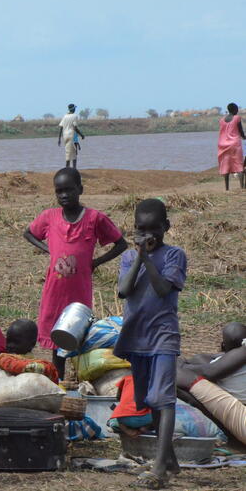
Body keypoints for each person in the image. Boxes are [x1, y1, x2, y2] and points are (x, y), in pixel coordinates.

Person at [23, 167, 127, 379]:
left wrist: (96, 262)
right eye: (59, 191)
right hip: (55, 290)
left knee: (79, 333)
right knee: (57, 338)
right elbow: (28, 233)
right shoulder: (49, 217)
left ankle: (79, 379)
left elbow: (120, 244)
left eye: (69, 190)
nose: (64, 195)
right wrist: (48, 250)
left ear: (80, 189)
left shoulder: (94, 218)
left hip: (79, 291)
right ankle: (59, 381)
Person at [115, 198, 186, 489]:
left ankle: (159, 469)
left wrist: (146, 259)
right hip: (136, 337)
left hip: (163, 336)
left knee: (163, 399)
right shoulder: (129, 259)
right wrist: (139, 258)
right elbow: (123, 290)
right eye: (140, 230)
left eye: (153, 230)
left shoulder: (174, 256)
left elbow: (161, 288)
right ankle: (170, 460)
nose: (147, 236)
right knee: (149, 401)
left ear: (165, 228)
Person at [179, 322, 246, 402]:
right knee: (200, 359)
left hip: (235, 405)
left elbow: (208, 373)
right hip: (235, 399)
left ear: (223, 345)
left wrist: (182, 366)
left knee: (178, 376)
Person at [0, 319, 60, 383]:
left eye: (16, 342)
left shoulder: (39, 366)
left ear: (32, 344)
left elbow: (42, 369)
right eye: (8, 341)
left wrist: (5, 362)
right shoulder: (4, 358)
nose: (11, 345)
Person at [217, 103, 245, 191]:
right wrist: (244, 137)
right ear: (234, 110)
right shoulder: (237, 118)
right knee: (239, 164)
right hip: (235, 144)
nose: (237, 111)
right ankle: (242, 187)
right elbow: (241, 131)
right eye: (237, 109)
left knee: (225, 165)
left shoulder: (221, 120)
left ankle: (227, 188)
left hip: (223, 144)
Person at [58, 103, 85, 168]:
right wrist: (81, 135)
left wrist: (59, 139)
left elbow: (61, 127)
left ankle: (67, 167)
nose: (75, 109)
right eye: (75, 108)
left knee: (67, 151)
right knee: (74, 153)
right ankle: (74, 169)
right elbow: (75, 127)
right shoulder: (74, 116)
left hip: (65, 136)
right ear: (73, 109)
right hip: (71, 135)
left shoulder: (65, 116)